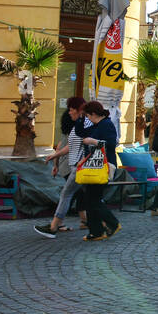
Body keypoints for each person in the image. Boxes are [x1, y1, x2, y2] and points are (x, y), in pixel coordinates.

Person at [34, 96, 89, 237]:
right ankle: (94, 223)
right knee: (82, 195)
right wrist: (55, 157)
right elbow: (67, 146)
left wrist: (55, 157)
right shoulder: (78, 126)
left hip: (80, 167)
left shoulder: (82, 125)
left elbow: (71, 146)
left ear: (78, 110)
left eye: (71, 110)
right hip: (76, 166)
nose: (69, 112)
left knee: (69, 194)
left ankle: (55, 226)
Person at [78, 101, 121, 241]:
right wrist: (80, 119)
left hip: (104, 165)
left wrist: (93, 141)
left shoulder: (106, 124)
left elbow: (111, 143)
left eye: (88, 115)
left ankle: (111, 224)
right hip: (96, 165)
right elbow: (81, 132)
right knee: (91, 198)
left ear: (94, 114)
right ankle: (96, 231)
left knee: (93, 199)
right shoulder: (97, 125)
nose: (88, 118)